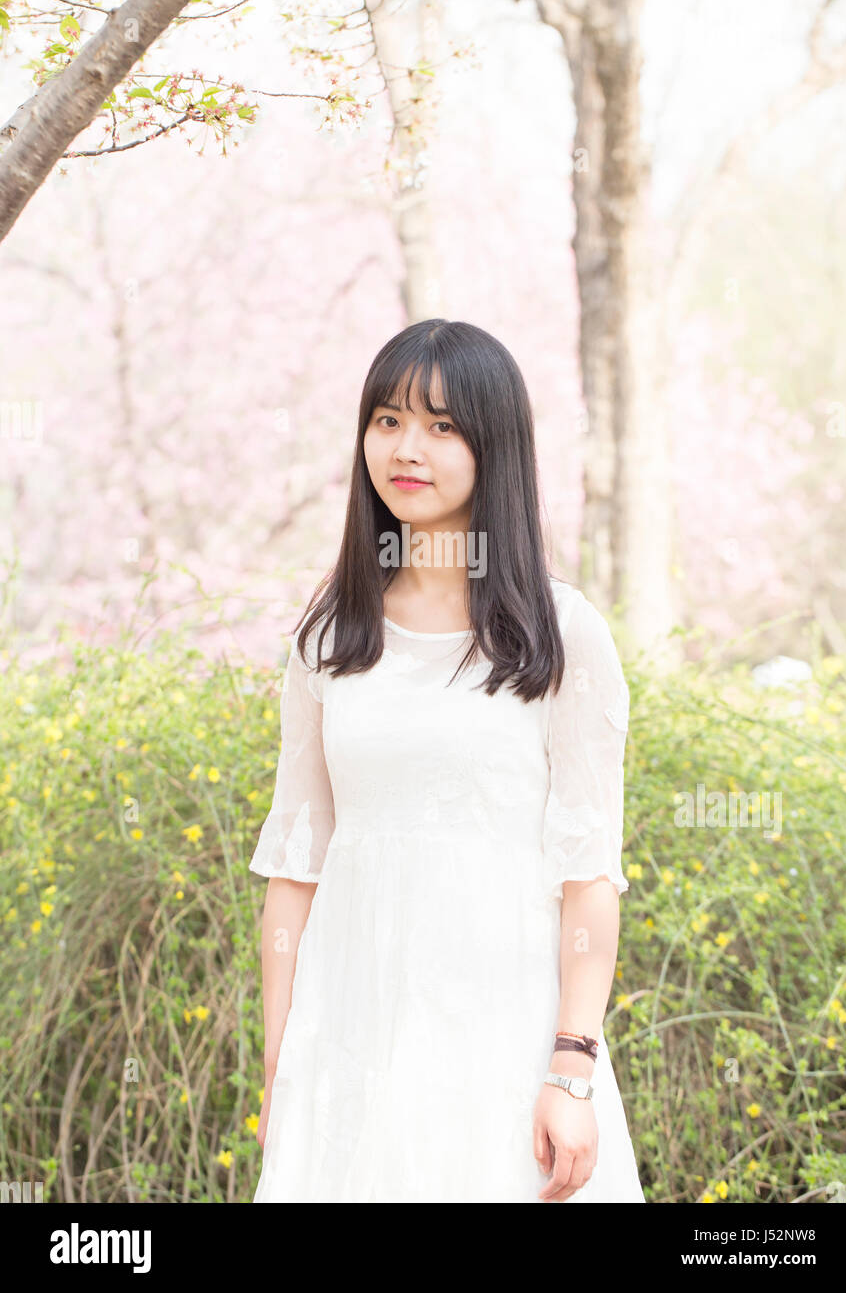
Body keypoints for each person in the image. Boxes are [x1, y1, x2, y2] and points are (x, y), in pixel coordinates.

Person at [249, 318, 645, 1203]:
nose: (406, 448)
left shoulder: (558, 633)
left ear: (492, 445)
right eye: (386, 420)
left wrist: (572, 1068)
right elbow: (296, 864)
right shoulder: (328, 639)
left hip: (505, 1035)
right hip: (348, 1035)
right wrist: (282, 1060)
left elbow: (590, 873)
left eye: (440, 425)